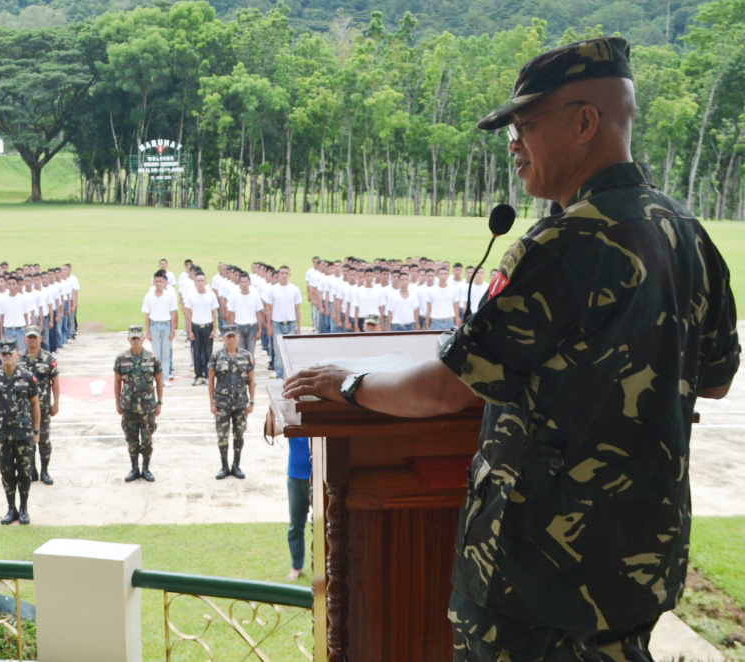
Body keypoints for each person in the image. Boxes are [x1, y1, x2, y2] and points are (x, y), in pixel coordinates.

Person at [283, 37, 740, 662]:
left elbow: (445, 388)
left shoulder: (564, 243)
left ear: (585, 122)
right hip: (638, 565)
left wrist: (348, 383)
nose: (513, 144)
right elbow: (714, 379)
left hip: (537, 580)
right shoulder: (688, 233)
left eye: (526, 125)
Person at [0, 337, 39, 525]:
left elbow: (35, 404)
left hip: (23, 433)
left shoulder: (27, 376)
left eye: (10, 353)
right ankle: (11, 508)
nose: (7, 356)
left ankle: (23, 508)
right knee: (6, 473)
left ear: (18, 354)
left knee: (24, 472)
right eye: (3, 353)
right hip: (2, 434)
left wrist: (36, 431)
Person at [114, 325, 162, 483]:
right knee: (131, 439)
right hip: (129, 407)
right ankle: (134, 469)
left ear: (143, 338)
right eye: (133, 338)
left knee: (147, 440)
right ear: (129, 339)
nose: (135, 341)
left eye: (138, 338)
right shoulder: (121, 358)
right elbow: (117, 382)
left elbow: (159, 382)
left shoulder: (152, 358)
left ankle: (146, 469)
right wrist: (117, 403)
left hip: (148, 408)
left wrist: (159, 403)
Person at [208, 328, 254, 479]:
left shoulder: (246, 356)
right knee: (222, 437)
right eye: (228, 337)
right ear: (223, 338)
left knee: (239, 436)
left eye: (233, 336)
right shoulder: (216, 356)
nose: (231, 339)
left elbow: (251, 381)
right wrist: (212, 403)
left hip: (240, 404)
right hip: (222, 404)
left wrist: (251, 402)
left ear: (238, 337)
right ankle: (224, 466)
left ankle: (236, 466)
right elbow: (211, 380)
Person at [20, 325, 60, 485]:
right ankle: (32, 470)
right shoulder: (18, 359)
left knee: (43, 440)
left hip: (43, 407)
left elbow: (55, 382)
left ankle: (44, 470)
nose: (32, 340)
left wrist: (56, 403)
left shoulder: (49, 359)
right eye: (29, 337)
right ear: (24, 339)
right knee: (27, 440)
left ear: (40, 339)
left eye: (34, 337)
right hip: (23, 408)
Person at [263, 266, 302, 379]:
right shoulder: (272, 290)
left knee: (290, 350)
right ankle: (279, 375)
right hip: (277, 324)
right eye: (282, 273)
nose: (284, 275)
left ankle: (290, 374)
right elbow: (269, 310)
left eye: (286, 273)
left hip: (291, 323)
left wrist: (298, 327)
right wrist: (269, 326)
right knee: (278, 350)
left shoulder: (295, 289)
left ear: (289, 275)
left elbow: (297, 309)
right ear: (278, 275)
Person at [142, 269, 179, 385]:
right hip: (154, 325)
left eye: (160, 281)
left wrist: (173, 329)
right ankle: (157, 378)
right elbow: (147, 314)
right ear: (153, 282)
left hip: (166, 325)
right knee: (156, 354)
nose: (158, 284)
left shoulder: (170, 296)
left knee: (166, 354)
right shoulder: (148, 296)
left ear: (164, 282)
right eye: (156, 281)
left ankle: (165, 378)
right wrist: (147, 331)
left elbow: (173, 313)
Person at [183, 273, 219, 386]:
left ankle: (208, 376)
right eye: (198, 281)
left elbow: (214, 313)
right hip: (196, 327)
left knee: (208, 353)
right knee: (197, 353)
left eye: (202, 281)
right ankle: (198, 376)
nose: (200, 283)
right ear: (195, 283)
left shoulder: (211, 295)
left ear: (206, 282)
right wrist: (189, 331)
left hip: (208, 326)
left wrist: (214, 329)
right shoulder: (191, 295)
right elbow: (188, 314)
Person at [286, 435, 311, 582]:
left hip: (317, 475)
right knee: (296, 525)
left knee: (324, 525)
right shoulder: (291, 420)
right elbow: (272, 432)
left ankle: (326, 566)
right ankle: (296, 566)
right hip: (295, 476)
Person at [228, 272, 265, 357]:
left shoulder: (255, 296)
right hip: (239, 327)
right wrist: (231, 330)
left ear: (249, 283)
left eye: (246, 282)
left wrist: (259, 329)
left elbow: (258, 314)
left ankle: (250, 366)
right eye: (242, 282)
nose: (244, 284)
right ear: (239, 283)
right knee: (240, 353)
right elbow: (231, 315)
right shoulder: (234, 297)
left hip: (251, 327)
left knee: (250, 353)